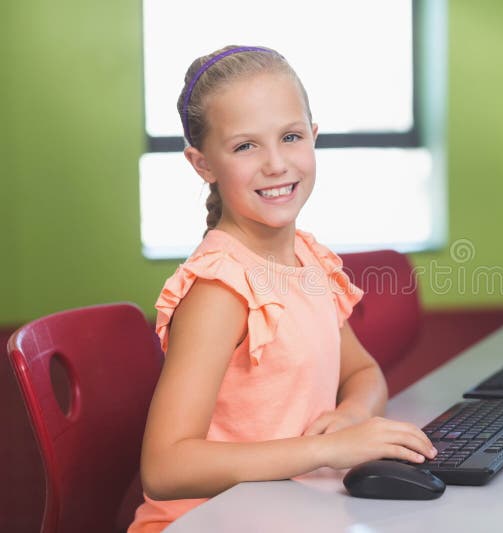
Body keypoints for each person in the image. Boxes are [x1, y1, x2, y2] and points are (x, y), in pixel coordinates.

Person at [129, 45, 437, 532]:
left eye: (290, 137)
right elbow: (166, 469)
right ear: (201, 163)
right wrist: (325, 450)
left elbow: (363, 372)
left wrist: (353, 416)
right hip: (206, 522)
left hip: (287, 512)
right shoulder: (219, 289)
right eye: (245, 146)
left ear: (313, 138)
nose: (276, 164)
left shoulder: (308, 261)